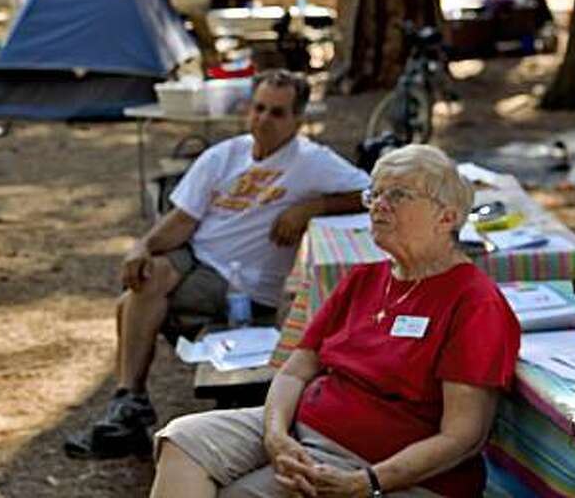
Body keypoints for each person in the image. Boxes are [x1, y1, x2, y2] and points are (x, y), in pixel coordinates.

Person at [151, 144, 520, 497]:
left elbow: (462, 437)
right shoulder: (364, 279)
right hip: (303, 425)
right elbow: (295, 371)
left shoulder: (475, 302)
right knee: (181, 440)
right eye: (374, 194)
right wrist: (276, 435)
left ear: (448, 217)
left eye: (398, 195)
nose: (379, 206)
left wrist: (368, 483)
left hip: (384, 465)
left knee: (239, 494)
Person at [66, 69, 369, 458]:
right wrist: (142, 245)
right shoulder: (225, 154)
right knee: (146, 276)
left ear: (297, 120)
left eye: (277, 113)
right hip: (194, 257)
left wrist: (314, 206)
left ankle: (129, 407)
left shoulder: (311, 162)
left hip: (239, 285)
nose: (263, 119)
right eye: (258, 108)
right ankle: (129, 404)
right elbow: (182, 220)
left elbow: (371, 191)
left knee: (133, 301)